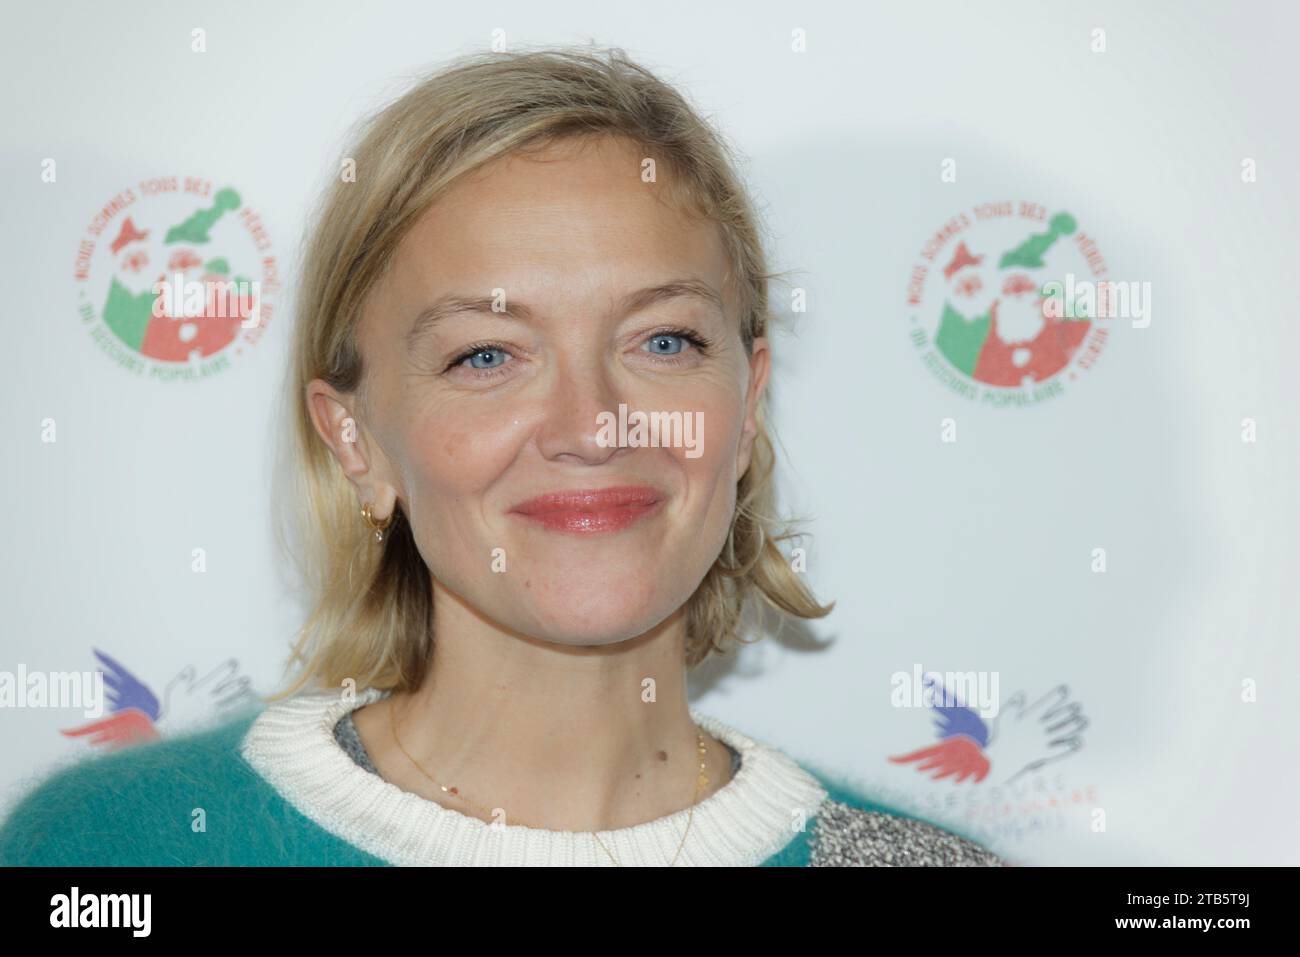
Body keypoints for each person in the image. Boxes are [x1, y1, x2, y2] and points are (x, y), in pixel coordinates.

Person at [0, 45, 1003, 867]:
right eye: (486, 355)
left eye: (662, 341)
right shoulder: (112, 853)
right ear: (353, 439)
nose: (591, 423)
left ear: (745, 408)